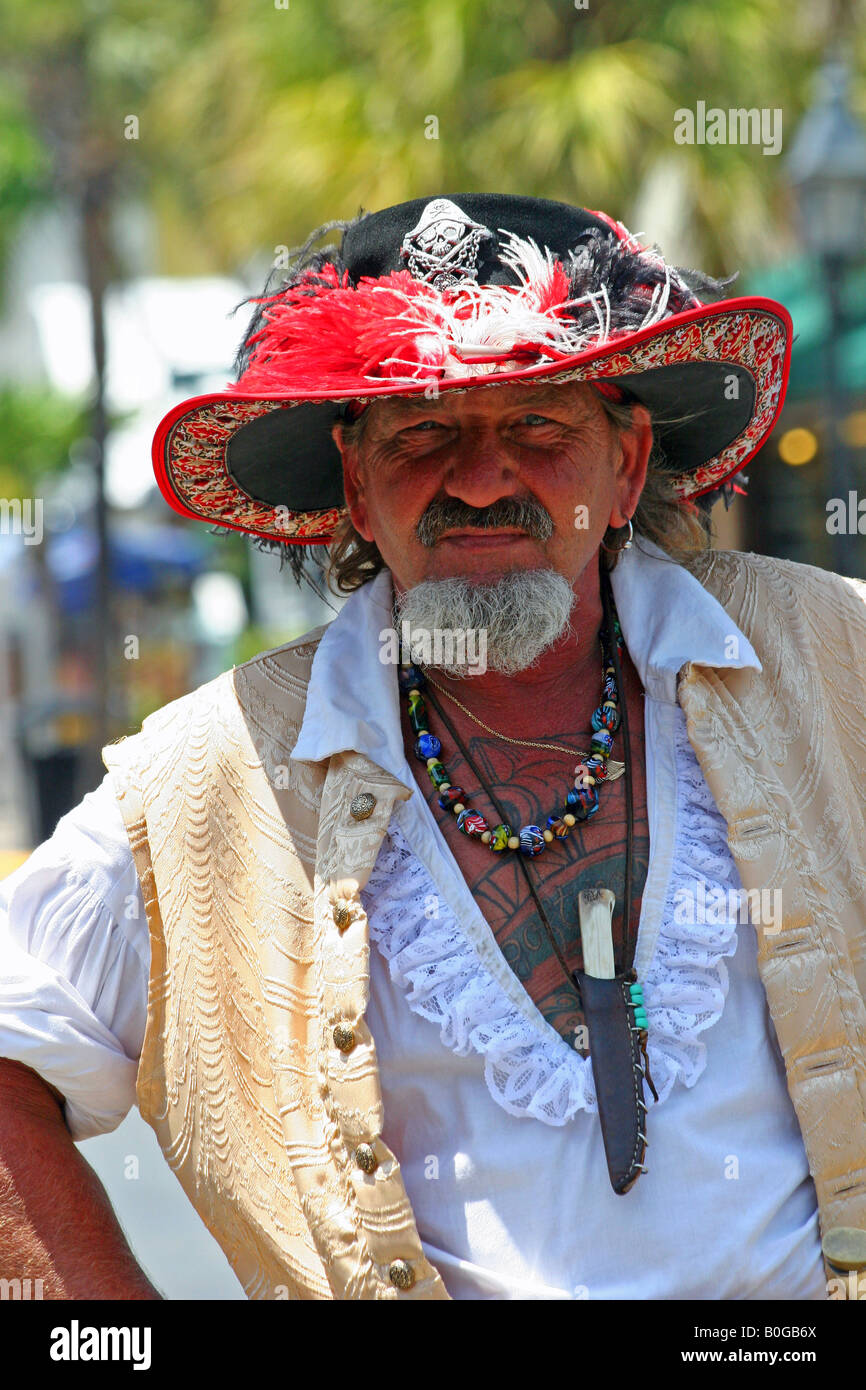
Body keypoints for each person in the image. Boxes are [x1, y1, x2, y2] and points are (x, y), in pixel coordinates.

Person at [2, 193, 866, 1301]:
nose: (478, 479)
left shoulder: (825, 655)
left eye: (537, 430)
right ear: (356, 487)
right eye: (422, 435)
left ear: (624, 463)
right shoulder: (217, 777)